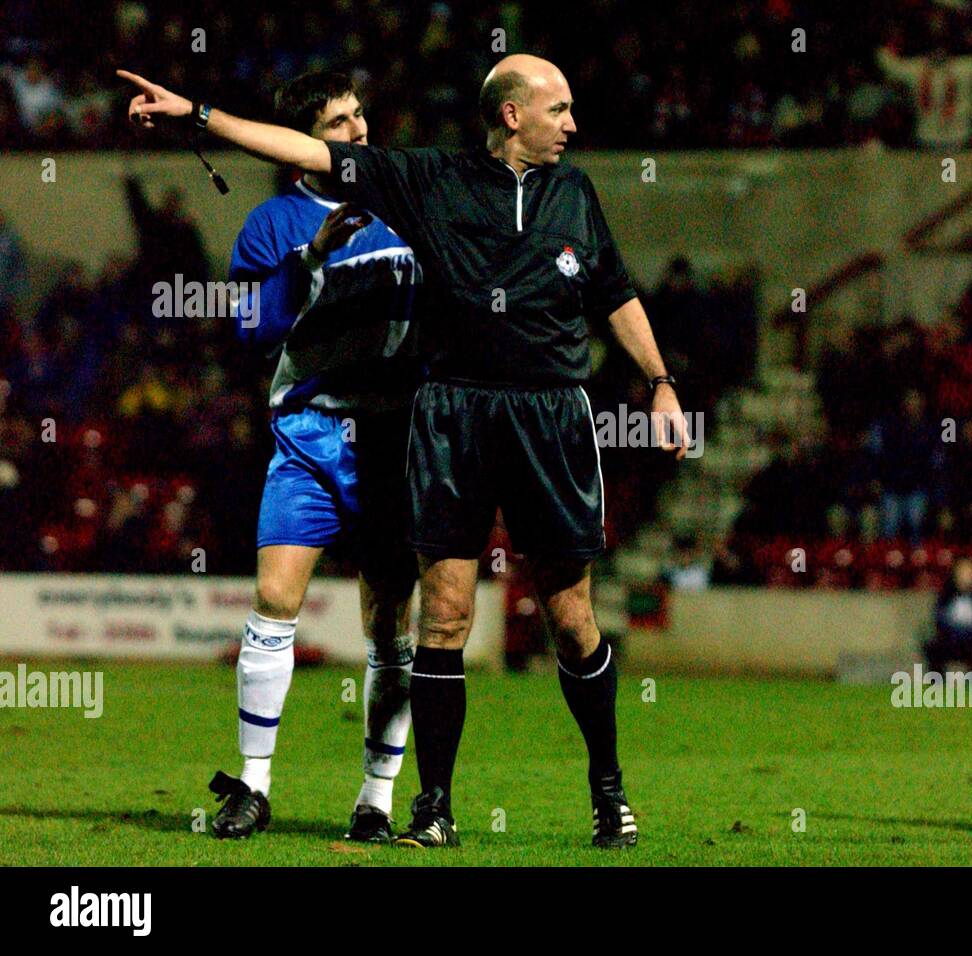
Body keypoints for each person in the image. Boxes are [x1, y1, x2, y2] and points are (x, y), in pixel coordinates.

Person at [118, 52, 689, 850]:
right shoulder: (423, 182)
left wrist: (661, 379)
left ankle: (599, 791)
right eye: (558, 109)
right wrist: (197, 117)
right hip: (428, 419)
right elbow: (300, 165)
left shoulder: (571, 193)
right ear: (512, 114)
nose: (573, 124)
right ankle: (412, 804)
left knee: (562, 618)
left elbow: (614, 290)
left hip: (523, 421)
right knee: (433, 615)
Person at [198, 72, 424, 843]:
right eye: (339, 121)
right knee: (275, 598)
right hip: (310, 432)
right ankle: (254, 786)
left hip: (393, 436)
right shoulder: (272, 222)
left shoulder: (407, 203)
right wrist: (308, 259)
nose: (359, 130)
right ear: (304, 146)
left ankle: (376, 800)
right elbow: (251, 332)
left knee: (391, 622)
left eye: (361, 114)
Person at [925, 556, 972, 673]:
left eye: (969, 571)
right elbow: (940, 620)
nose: (965, 575)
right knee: (933, 648)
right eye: (962, 571)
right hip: (952, 640)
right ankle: (937, 687)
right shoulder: (946, 594)